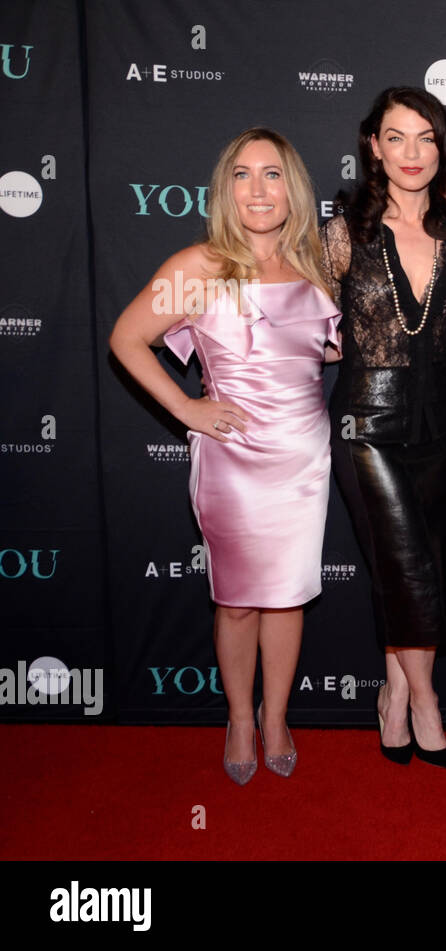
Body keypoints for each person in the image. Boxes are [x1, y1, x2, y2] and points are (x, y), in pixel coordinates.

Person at [110, 128, 340, 785]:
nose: (259, 188)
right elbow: (126, 338)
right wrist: (186, 409)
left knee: (288, 596)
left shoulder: (312, 268)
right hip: (233, 460)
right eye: (243, 175)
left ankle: (276, 717)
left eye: (272, 175)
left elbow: (319, 347)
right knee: (238, 600)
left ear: (292, 189)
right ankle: (240, 716)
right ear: (226, 189)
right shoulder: (199, 266)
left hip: (303, 457)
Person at [323, 87, 446, 769]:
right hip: (365, 420)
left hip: (442, 423)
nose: (411, 153)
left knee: (412, 563)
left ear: (440, 147)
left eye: (425, 137)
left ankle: (392, 694)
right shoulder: (341, 234)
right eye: (396, 137)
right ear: (373, 146)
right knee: (410, 567)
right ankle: (426, 700)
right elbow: (310, 324)